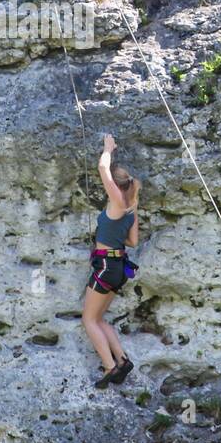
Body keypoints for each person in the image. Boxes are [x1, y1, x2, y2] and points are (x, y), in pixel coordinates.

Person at [82, 133, 140, 389]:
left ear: (116, 186)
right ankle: (122, 360)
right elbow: (133, 242)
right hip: (118, 267)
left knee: (88, 320)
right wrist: (111, 235)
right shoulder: (131, 208)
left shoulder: (117, 202)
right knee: (99, 318)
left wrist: (108, 148)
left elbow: (102, 167)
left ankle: (109, 366)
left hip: (106, 266)